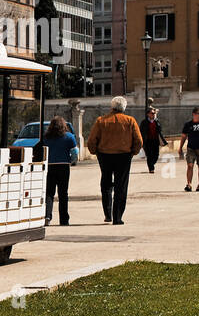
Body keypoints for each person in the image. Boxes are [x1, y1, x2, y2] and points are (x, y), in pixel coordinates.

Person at [85, 96, 143, 224]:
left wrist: (95, 151)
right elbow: (138, 140)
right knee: (121, 186)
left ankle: (107, 214)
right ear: (124, 108)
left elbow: (92, 140)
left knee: (106, 183)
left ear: (112, 107)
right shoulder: (130, 121)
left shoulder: (101, 121)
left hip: (104, 155)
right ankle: (117, 217)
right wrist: (133, 152)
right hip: (124, 155)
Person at [41, 116, 78, 226]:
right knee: (63, 193)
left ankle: (47, 215)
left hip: (50, 166)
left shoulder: (45, 138)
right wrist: (70, 161)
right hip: (63, 166)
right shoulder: (69, 137)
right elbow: (75, 153)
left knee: (49, 193)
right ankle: (64, 219)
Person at [140, 107, 167, 174]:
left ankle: (152, 163)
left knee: (156, 155)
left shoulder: (157, 121)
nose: (153, 114)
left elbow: (160, 130)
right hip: (148, 141)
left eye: (154, 113)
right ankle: (151, 168)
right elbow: (141, 131)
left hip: (155, 140)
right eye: (152, 113)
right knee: (149, 155)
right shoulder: (144, 122)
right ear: (148, 114)